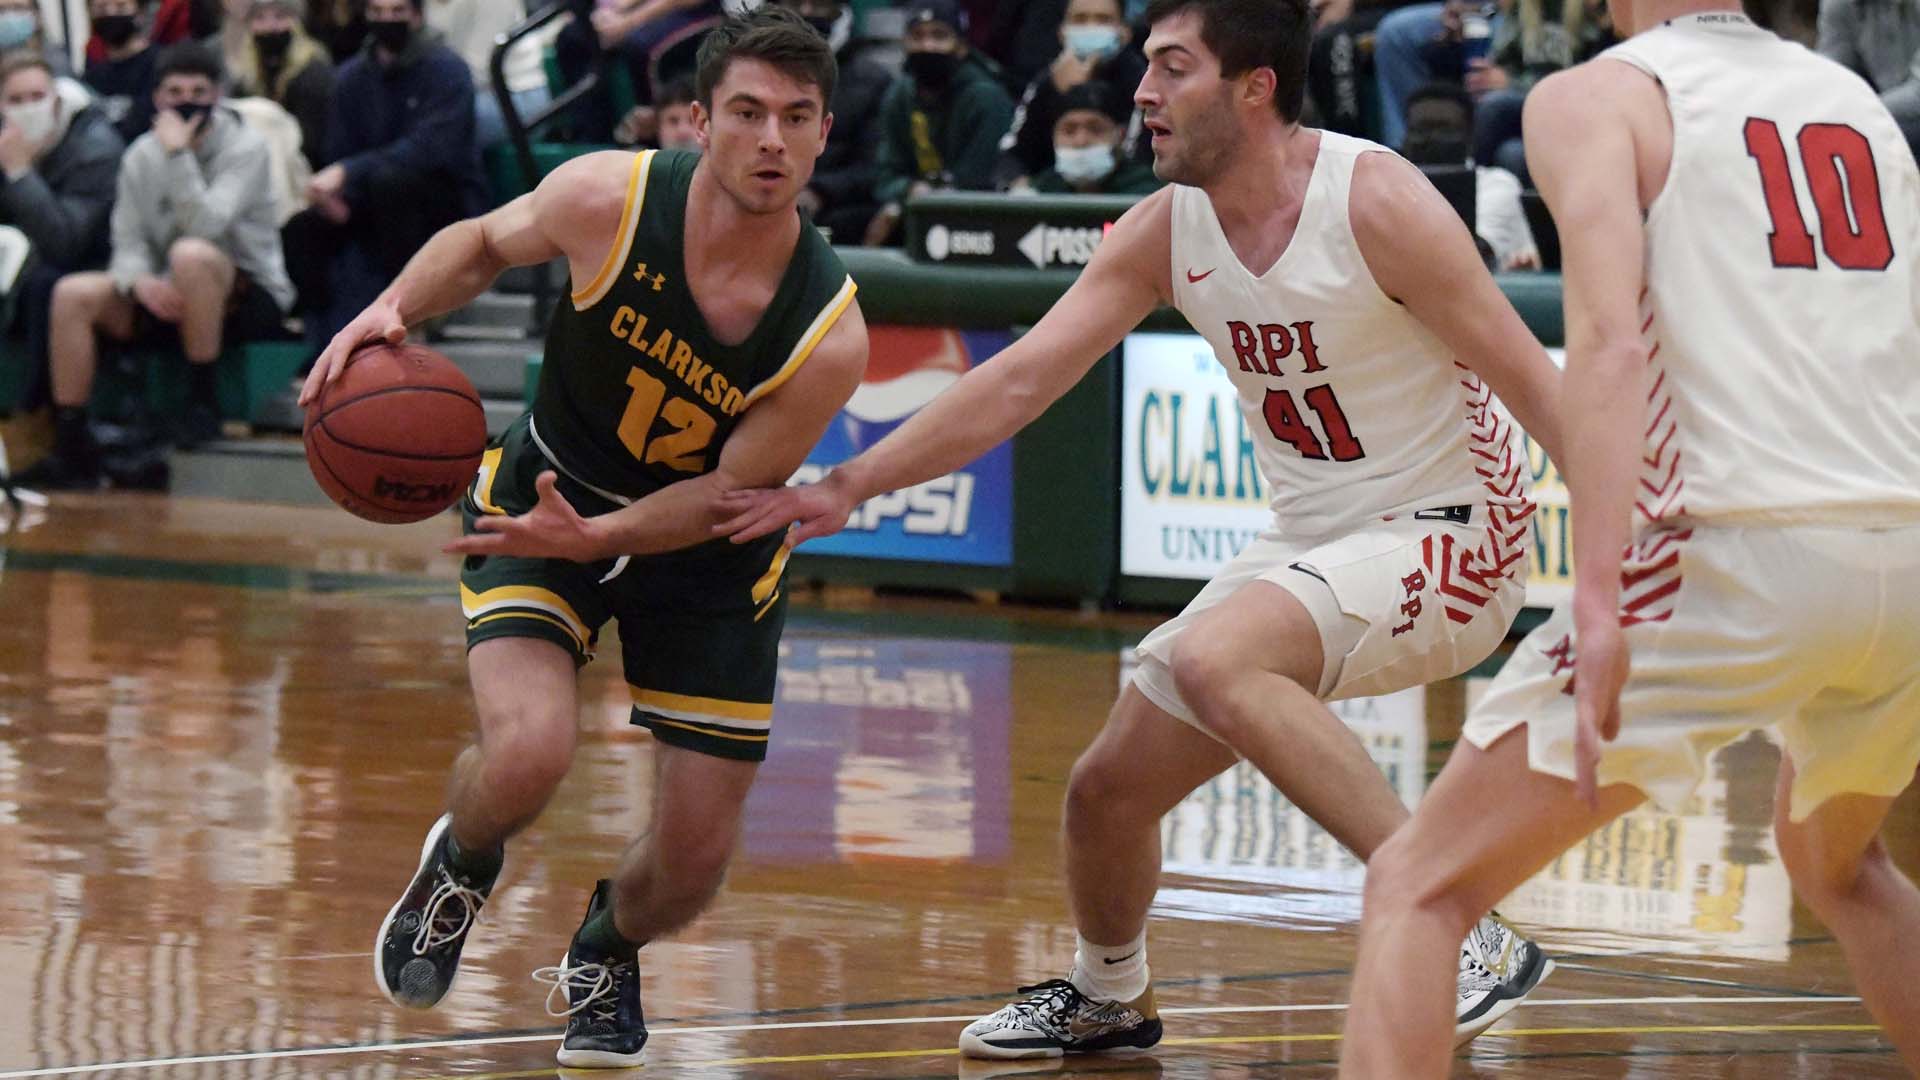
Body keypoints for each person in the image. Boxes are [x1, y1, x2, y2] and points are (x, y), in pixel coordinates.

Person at [720, 0, 1564, 1060]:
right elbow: (1023, 377)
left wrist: (1638, 558)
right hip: (1315, 537)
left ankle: (1460, 921)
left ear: (1254, 88)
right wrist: (848, 486)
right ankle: (1109, 992)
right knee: (1107, 792)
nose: (1141, 93)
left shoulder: (1376, 199)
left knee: (1214, 659)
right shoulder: (1169, 226)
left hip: (1455, 532)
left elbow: (1537, 381)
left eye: (1172, 68)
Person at [1337, 0, 1920, 1073]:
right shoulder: (1855, 104)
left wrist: (1598, 593)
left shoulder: (1596, 95)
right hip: (1904, 550)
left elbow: (1606, 343)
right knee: (1843, 870)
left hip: (1735, 547)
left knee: (1417, 885)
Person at [297, 6, 866, 1067]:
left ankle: (607, 945)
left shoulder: (830, 332)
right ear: (698, 119)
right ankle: (462, 862)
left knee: (692, 867)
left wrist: (597, 535)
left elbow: (725, 498)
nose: (772, 142)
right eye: (747, 112)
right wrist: (390, 310)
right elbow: (477, 243)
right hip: (542, 492)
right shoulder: (607, 194)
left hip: (705, 559)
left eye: (797, 117)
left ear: (827, 131)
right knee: (530, 753)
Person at [29, 42, 293, 486]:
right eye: (175, 91)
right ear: (157, 99)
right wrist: (137, 283)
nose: (186, 100)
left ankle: (202, 402)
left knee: (188, 254)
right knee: (71, 293)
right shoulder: (139, 155)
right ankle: (70, 442)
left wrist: (178, 156)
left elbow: (205, 224)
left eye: (198, 90)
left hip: (246, 297)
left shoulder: (247, 148)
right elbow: (127, 240)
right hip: (166, 293)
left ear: (217, 96)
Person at [299, 0, 485, 349]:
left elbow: (431, 150)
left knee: (392, 183)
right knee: (303, 227)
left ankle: (413, 314)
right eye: (377, 11)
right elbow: (340, 149)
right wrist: (341, 201)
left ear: (416, 16)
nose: (387, 20)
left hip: (444, 199)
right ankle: (320, 342)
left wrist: (349, 171)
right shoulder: (350, 77)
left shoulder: (448, 70)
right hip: (371, 195)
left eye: (397, 11)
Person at [0, 51, 125, 414]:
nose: (28, 108)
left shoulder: (95, 146)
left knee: (46, 285)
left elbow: (66, 242)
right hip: (24, 262)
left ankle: (40, 414)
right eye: (15, 100)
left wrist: (21, 175)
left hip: (96, 264)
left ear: (56, 99)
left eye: (37, 97)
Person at [866, 0, 1016, 245]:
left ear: (961, 46)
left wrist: (925, 196)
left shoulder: (986, 98)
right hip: (915, 205)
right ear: (905, 43)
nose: (928, 46)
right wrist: (907, 192)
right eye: (918, 36)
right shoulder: (899, 94)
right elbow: (885, 173)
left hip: (976, 219)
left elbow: (977, 181)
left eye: (939, 36)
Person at [773, 0, 891, 243]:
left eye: (817, 4)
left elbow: (876, 169)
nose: (805, 12)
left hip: (837, 213)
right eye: (795, 3)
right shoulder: (748, 75)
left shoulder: (873, 82)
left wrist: (819, 191)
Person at [997, 0, 1146, 191]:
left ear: (1125, 33)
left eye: (1103, 20)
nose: (1091, 28)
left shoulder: (1141, 84)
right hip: (1054, 195)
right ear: (1062, 32)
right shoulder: (1046, 81)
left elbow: (1140, 158)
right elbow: (1013, 154)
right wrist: (1020, 187)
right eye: (1080, 19)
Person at [1399, 81, 1536, 269]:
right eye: (1421, 130)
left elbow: (1474, 256)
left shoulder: (1498, 185)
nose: (1431, 138)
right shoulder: (1390, 185)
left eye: (1444, 129)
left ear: (1470, 138)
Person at [229, 0, 333, 170]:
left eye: (280, 16)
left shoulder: (314, 74)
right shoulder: (246, 77)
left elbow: (313, 143)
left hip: (304, 164)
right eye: (260, 18)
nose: (271, 26)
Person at [1817, 0, 1920, 156]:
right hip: (1884, 117)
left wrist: (1857, 116)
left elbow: (1917, 94)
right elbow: (1830, 79)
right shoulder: (1839, 5)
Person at [1027, 79, 1161, 193]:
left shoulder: (1149, 193)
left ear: (1120, 135)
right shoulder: (1038, 192)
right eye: (1069, 131)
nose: (1081, 141)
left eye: (1096, 130)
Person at [82, 0, 160, 141]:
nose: (111, 13)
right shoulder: (91, 78)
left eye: (121, 6)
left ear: (140, 12)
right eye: (101, 8)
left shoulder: (161, 65)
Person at [0, 0, 76, 76]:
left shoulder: (55, 60)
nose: (9, 15)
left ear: (37, 16)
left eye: (18, 8)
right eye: (1, 9)